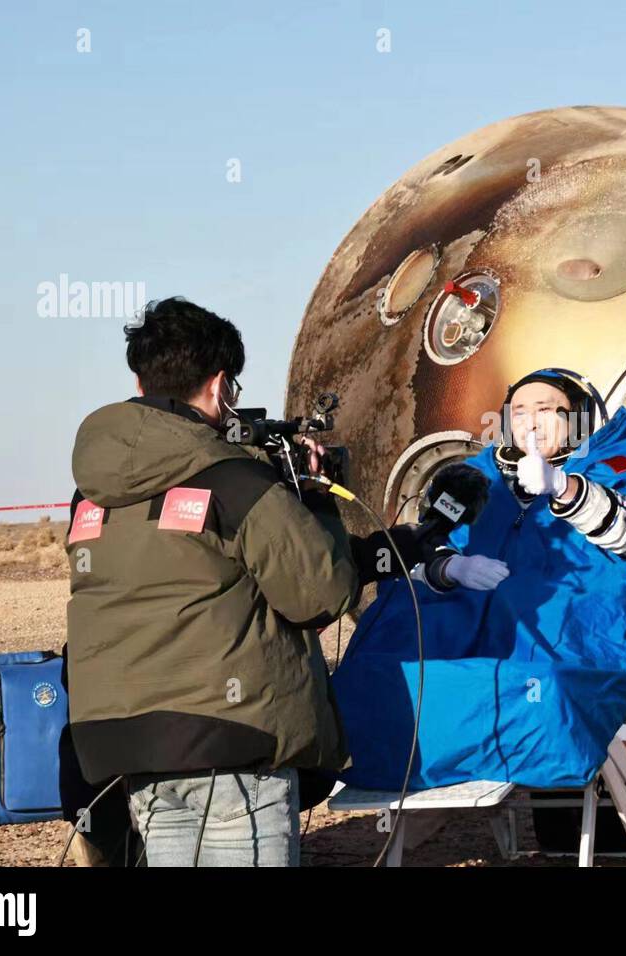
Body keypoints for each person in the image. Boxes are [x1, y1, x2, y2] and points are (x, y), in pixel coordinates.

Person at [65, 297, 420, 867]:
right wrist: (315, 494)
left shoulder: (94, 492)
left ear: (139, 380)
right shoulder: (234, 480)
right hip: (231, 742)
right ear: (220, 384)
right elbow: (320, 593)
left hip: (125, 746)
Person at [332, 368, 626, 791]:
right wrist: (448, 568)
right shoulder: (473, 477)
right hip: (468, 643)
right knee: (374, 676)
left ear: (580, 417)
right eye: (519, 411)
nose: (530, 421)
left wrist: (567, 489)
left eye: (546, 410)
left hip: (572, 644)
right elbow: (425, 544)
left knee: (543, 691)